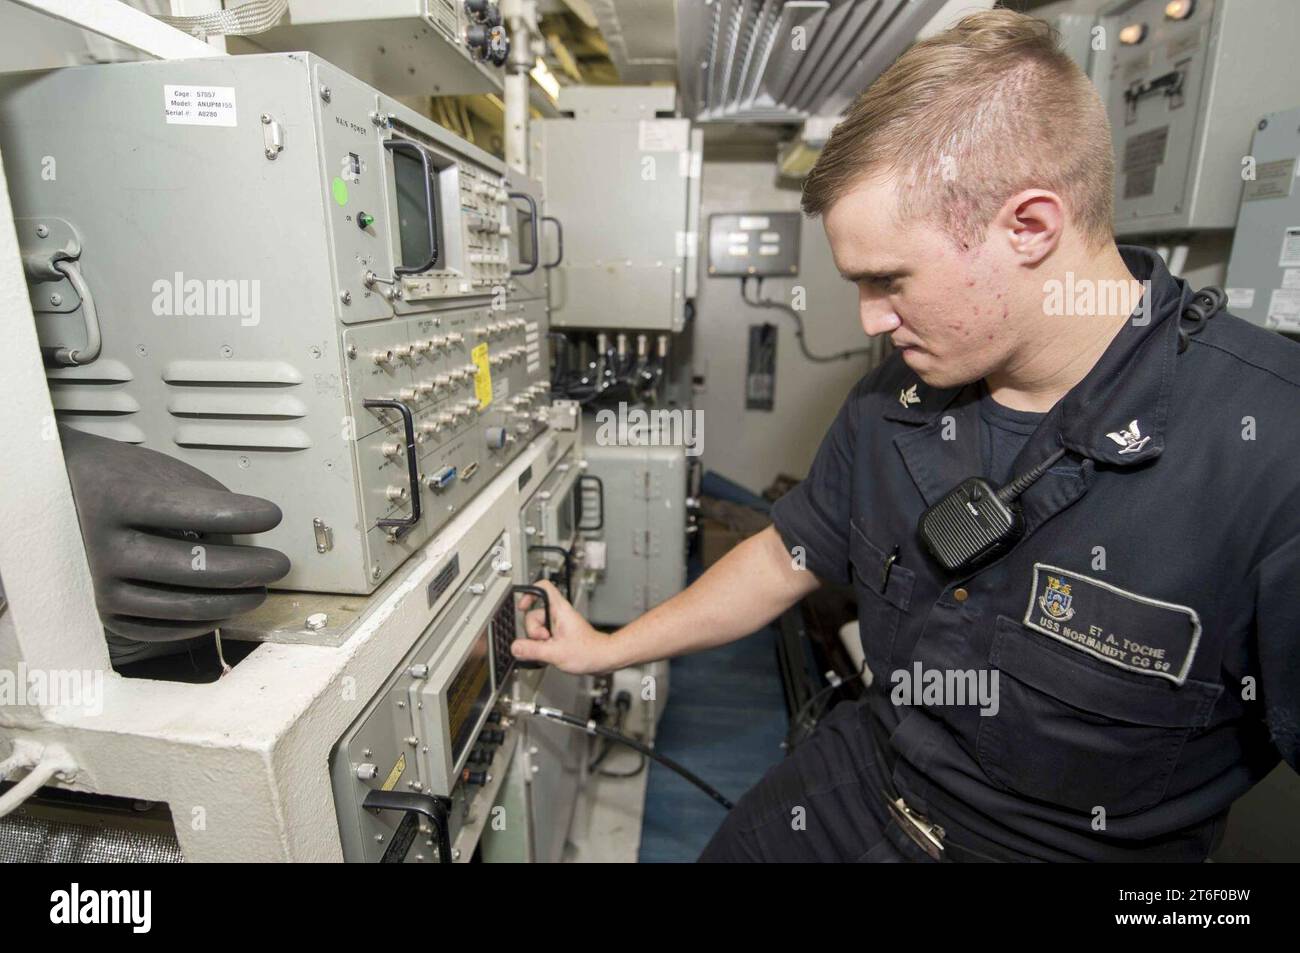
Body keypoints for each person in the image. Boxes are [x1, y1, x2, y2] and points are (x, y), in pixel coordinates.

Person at [512, 8, 1300, 861]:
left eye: (889, 279)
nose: (870, 318)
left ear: (1029, 228)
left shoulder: (1269, 451)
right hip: (871, 780)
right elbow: (789, 556)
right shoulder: (901, 392)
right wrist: (606, 648)